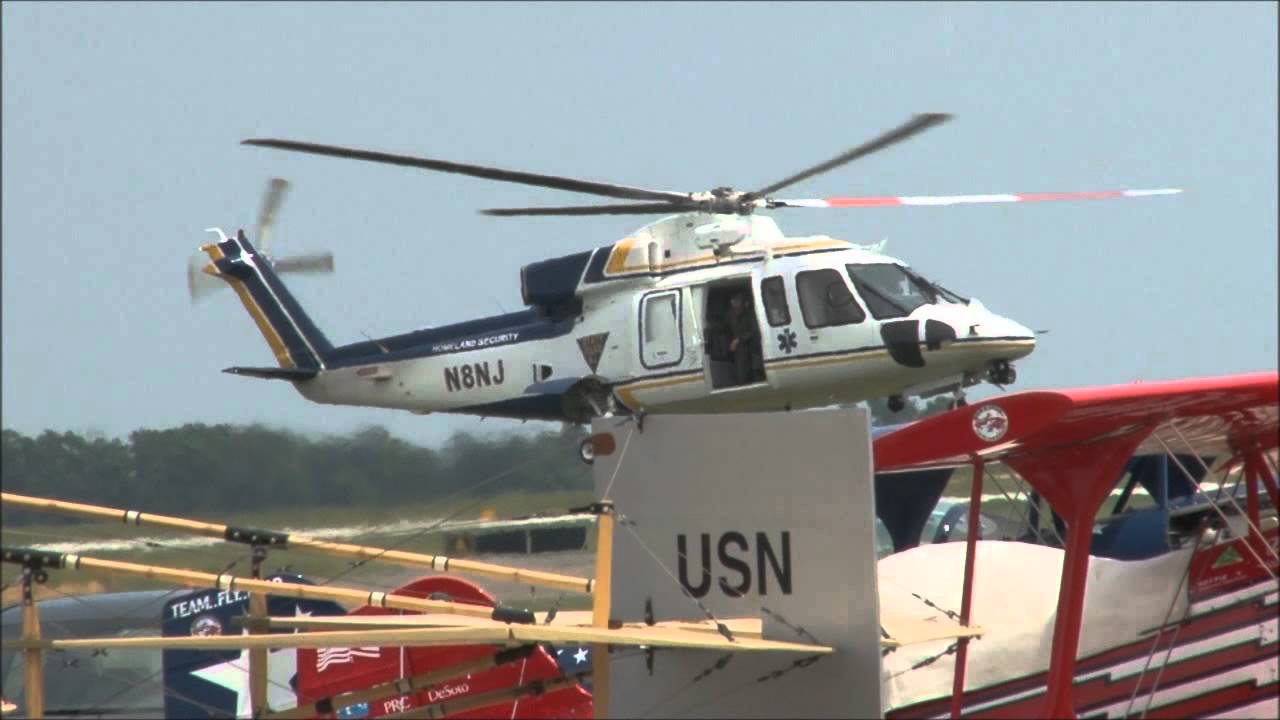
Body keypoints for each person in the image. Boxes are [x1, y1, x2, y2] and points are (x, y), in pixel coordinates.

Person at [727, 292, 762, 385]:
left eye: (738, 301)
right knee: (741, 374)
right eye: (734, 301)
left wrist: (739, 339)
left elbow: (754, 330)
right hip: (740, 350)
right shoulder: (730, 315)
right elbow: (726, 328)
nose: (736, 304)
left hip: (753, 346)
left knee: (756, 372)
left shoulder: (750, 314)